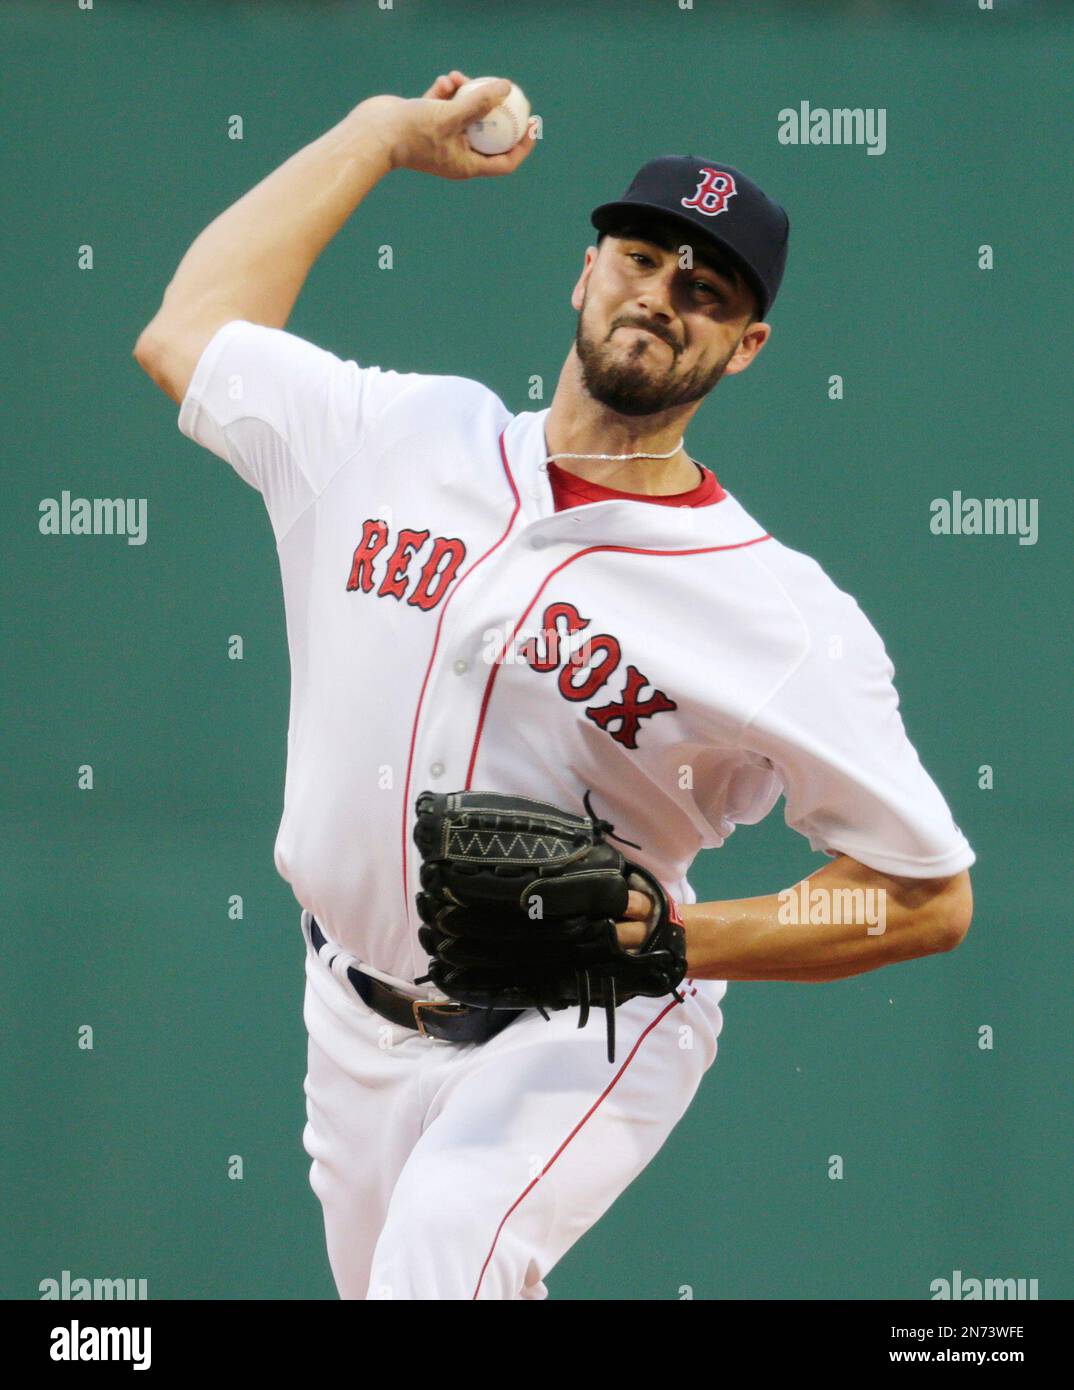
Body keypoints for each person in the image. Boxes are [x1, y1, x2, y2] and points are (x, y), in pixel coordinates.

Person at [133, 71, 974, 1301]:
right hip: (349, 1018)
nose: (662, 294)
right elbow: (188, 331)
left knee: (443, 1267)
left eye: (707, 288)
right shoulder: (395, 436)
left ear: (747, 346)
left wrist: (682, 940)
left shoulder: (778, 611)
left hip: (587, 1028)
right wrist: (375, 135)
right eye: (643, 256)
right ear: (586, 272)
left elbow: (924, 898)